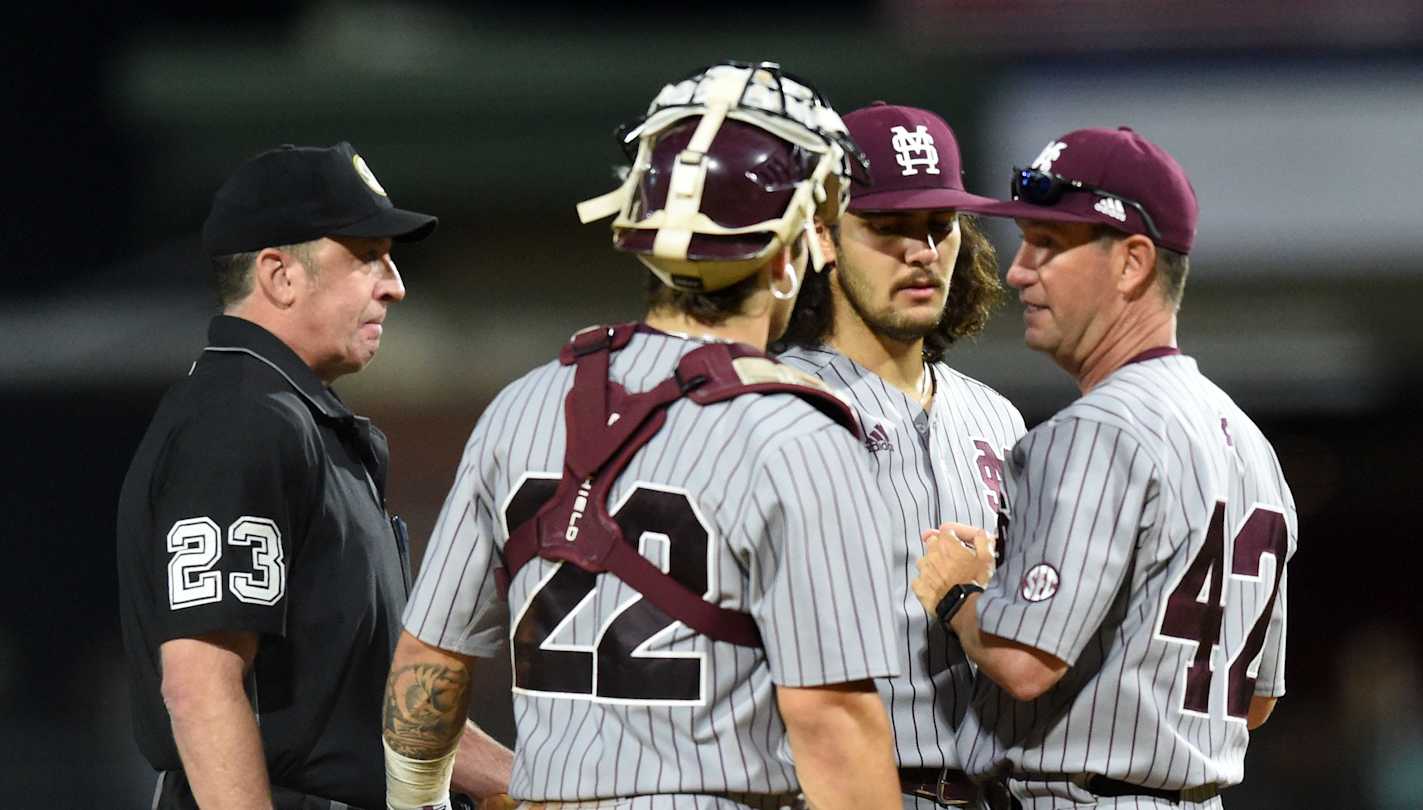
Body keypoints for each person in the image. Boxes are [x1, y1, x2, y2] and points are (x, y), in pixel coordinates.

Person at [380, 61, 903, 810]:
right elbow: (832, 723)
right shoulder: (797, 433)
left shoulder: (522, 404)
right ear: (787, 255)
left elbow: (427, 667)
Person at [116, 141, 513, 810]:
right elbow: (202, 683)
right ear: (279, 276)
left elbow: (371, 708)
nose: (395, 283)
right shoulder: (240, 420)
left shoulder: (295, 419)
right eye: (366, 258)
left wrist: (531, 788)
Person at [910, 127, 1298, 808]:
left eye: (1048, 246)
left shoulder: (1094, 430)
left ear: (1132, 263)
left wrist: (962, 595)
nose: (1017, 270)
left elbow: (1022, 664)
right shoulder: (1250, 443)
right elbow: (1255, 704)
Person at [773, 102, 1025, 809]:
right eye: (887, 228)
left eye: (938, 227)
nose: (921, 252)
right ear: (822, 236)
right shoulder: (771, 408)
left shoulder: (996, 418)